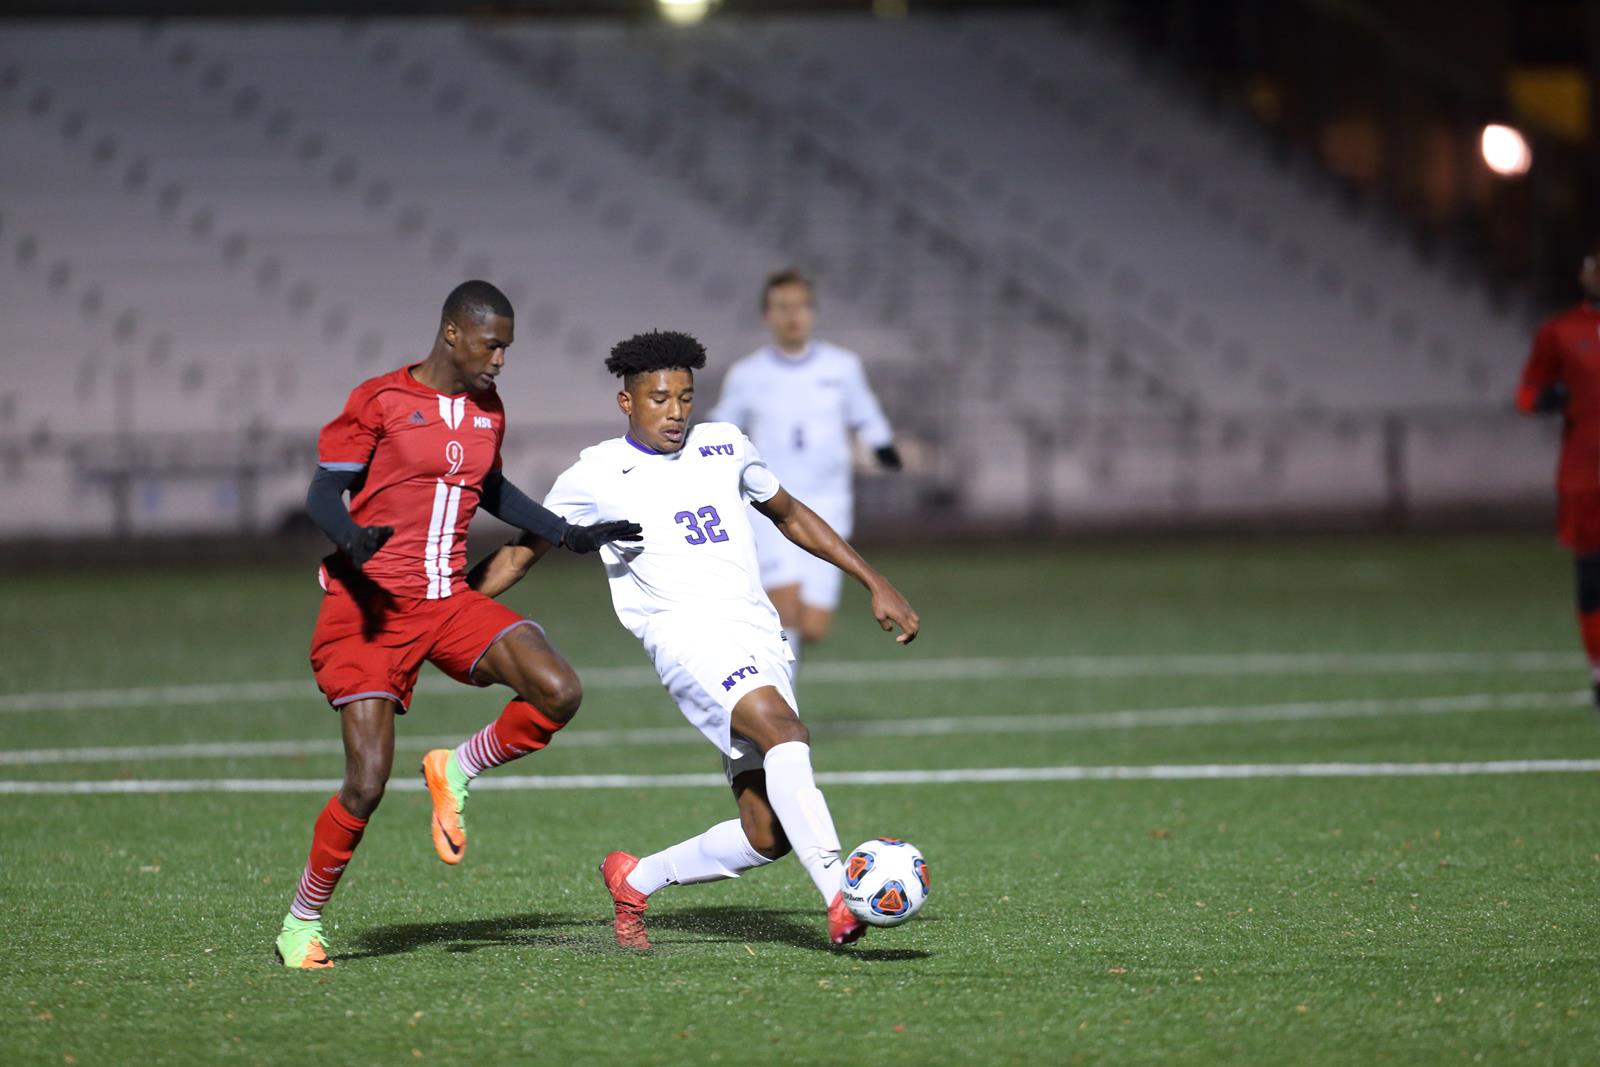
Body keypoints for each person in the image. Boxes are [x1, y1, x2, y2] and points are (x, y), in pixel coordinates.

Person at [468, 329, 920, 949]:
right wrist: (441, 603)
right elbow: (520, 556)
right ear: (627, 402)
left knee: (767, 834)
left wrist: (874, 580)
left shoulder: (725, 445)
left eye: (684, 397)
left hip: (758, 635)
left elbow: (789, 514)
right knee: (786, 733)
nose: (676, 412)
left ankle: (635, 879)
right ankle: (839, 894)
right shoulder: (595, 472)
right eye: (659, 398)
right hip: (686, 639)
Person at [274, 280, 641, 969]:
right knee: (368, 781)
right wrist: (349, 535)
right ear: (452, 333)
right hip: (367, 608)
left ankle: (457, 767)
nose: (501, 359)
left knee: (558, 688)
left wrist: (567, 533)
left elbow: (491, 488)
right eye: (492, 344)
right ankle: (301, 922)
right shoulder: (381, 399)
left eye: (507, 347)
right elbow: (325, 486)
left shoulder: (487, 410)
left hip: (445, 601)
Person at [709, 269, 901, 661]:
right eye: (783, 308)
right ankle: (779, 711)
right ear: (768, 316)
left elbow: (864, 412)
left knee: (812, 625)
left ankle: (773, 685)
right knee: (785, 610)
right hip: (771, 504)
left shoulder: (841, 367)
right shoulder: (748, 374)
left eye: (800, 307)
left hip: (829, 506)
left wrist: (882, 444)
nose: (793, 316)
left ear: (812, 312)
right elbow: (722, 424)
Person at [1517, 245, 1600, 709]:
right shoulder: (1562, 331)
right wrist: (1548, 399)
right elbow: (1525, 393)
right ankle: (1599, 672)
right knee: (1592, 579)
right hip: (1585, 477)